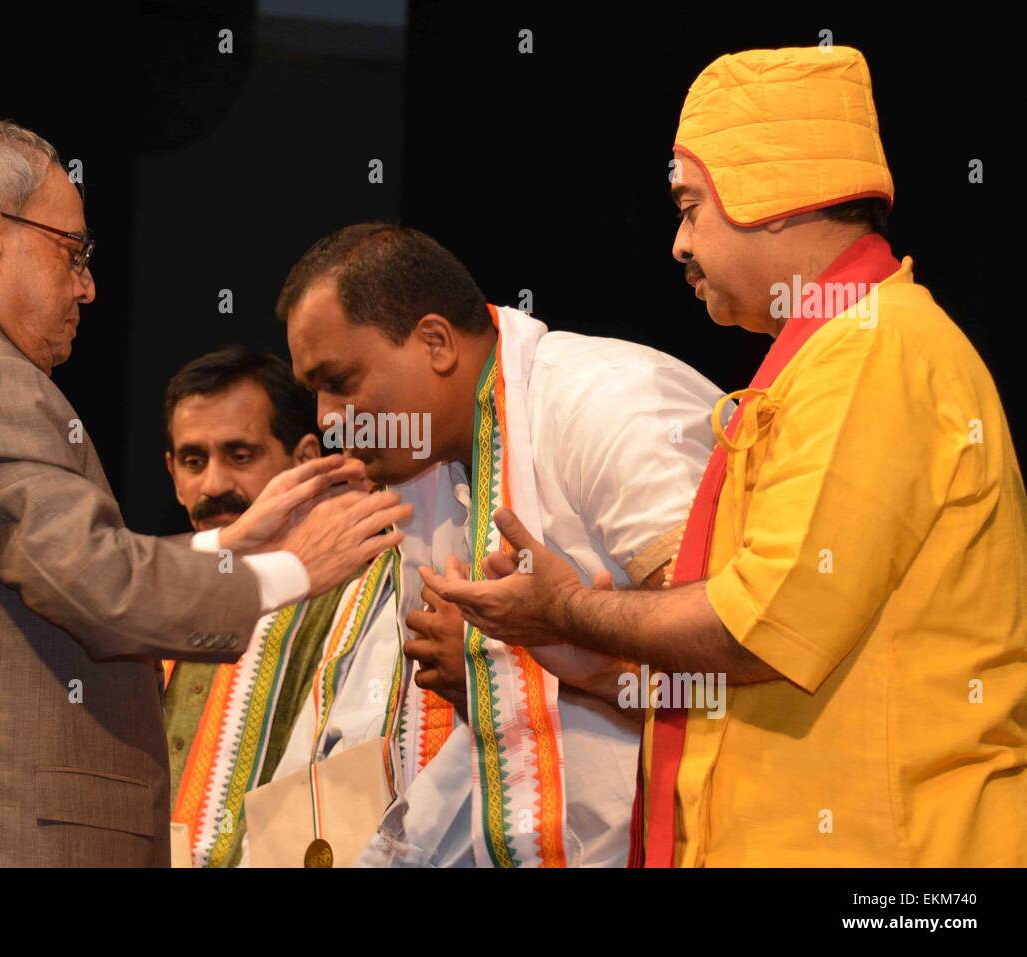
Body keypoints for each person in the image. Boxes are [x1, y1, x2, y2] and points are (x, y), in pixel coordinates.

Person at [420, 45, 1027, 866]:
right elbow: (751, 669)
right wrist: (594, 664)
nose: (677, 242)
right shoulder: (828, 358)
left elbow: (755, 629)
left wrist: (566, 609)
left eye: (690, 205)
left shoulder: (874, 351)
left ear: (774, 197)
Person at [0, 117, 409, 867]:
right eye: (72, 251)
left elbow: (48, 567)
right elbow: (102, 589)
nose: (87, 285)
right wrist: (294, 569)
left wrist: (230, 542)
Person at [275, 223, 723, 866]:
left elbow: (736, 672)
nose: (325, 419)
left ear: (435, 342)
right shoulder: (434, 471)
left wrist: (514, 669)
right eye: (313, 392)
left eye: (340, 381)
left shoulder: (606, 407)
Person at [161, 345, 354, 867]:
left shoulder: (356, 593)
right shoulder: (149, 598)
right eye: (193, 461)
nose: (215, 485)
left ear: (307, 459)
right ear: (173, 473)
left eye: (240, 455)